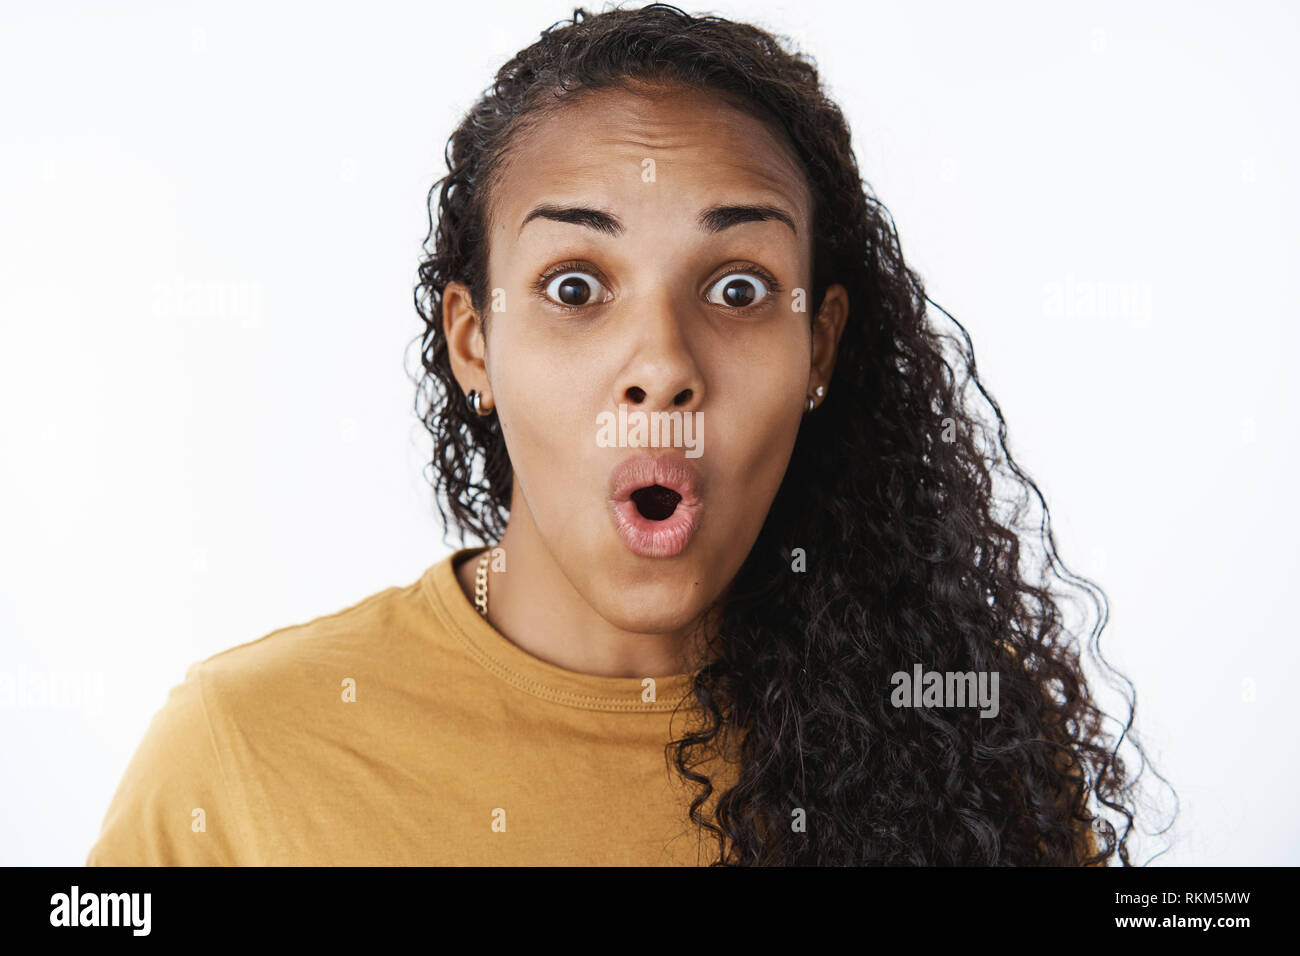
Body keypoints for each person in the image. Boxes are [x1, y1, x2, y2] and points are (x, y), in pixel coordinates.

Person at [87, 3, 1160, 867]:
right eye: (573, 284)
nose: (661, 364)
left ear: (819, 350)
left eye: (738, 288)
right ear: (473, 344)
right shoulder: (239, 753)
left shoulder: (960, 734)